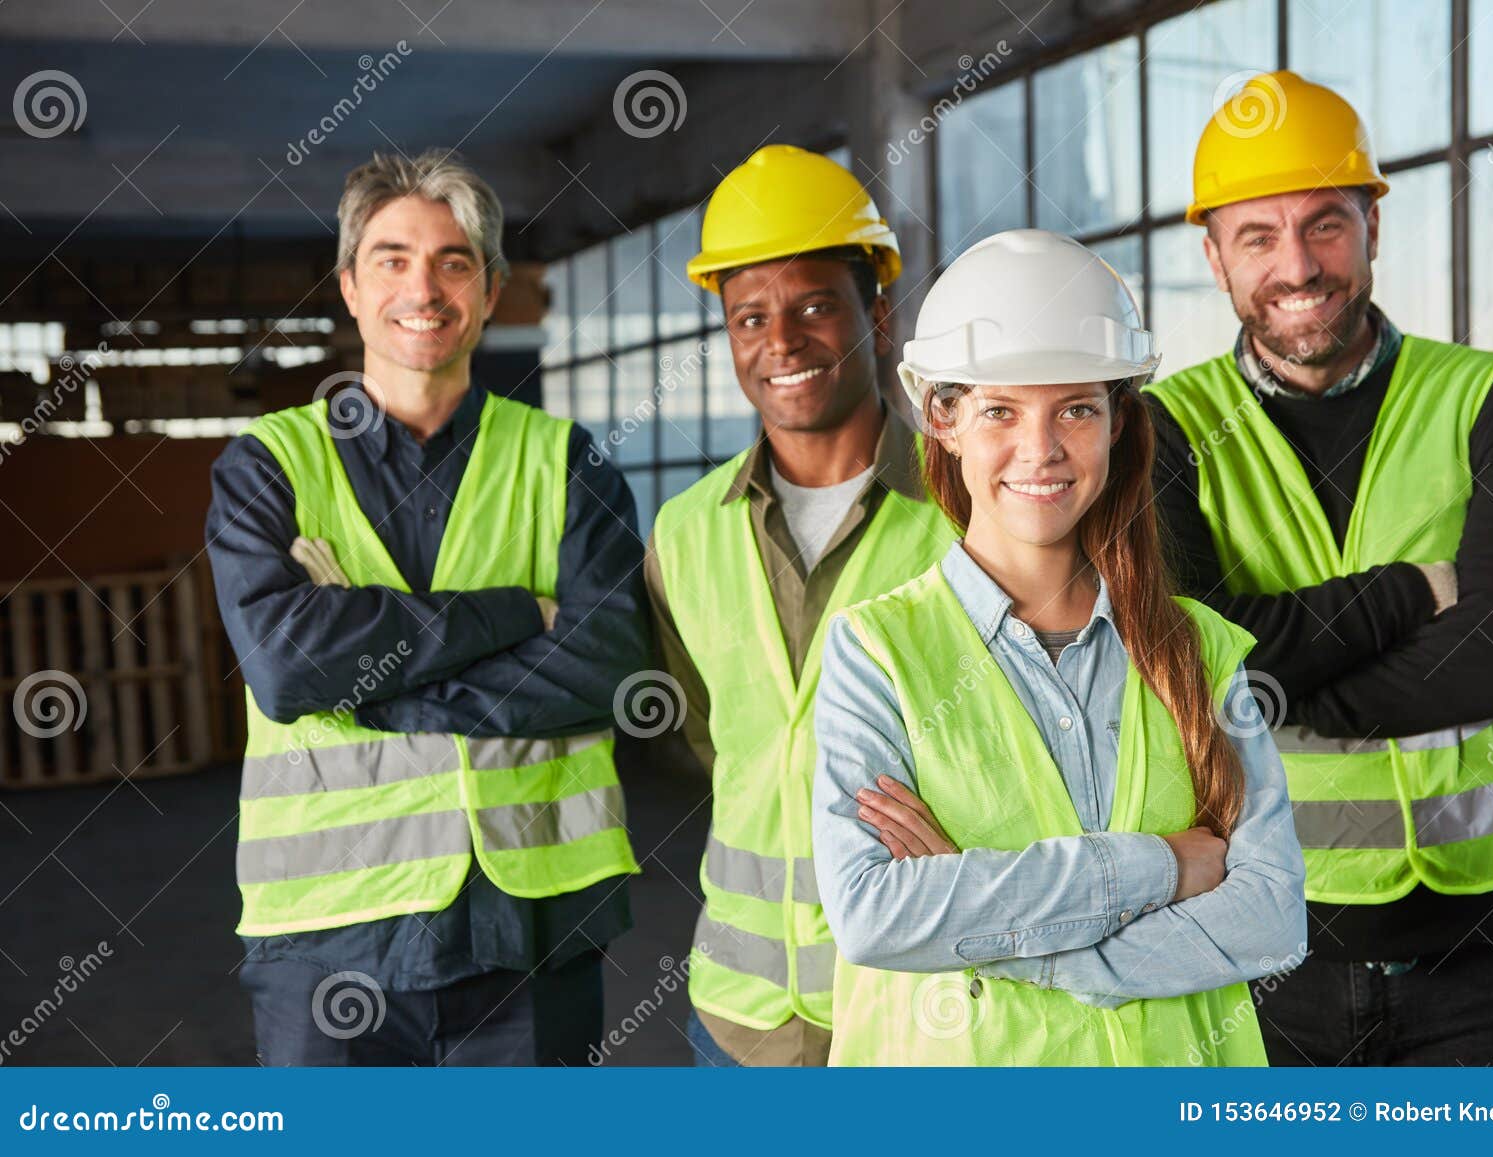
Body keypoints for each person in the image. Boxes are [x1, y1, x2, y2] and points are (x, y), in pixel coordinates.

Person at [1146, 71, 1493, 1065]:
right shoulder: (1160, 431)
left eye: (1324, 224)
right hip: (1259, 958)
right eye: (1256, 236)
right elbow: (1184, 663)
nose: (1297, 264)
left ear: (1372, 227)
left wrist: (1270, 688)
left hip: (1487, 963)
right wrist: (1417, 591)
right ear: (1213, 255)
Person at [811, 229, 1306, 1066]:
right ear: (946, 420)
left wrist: (1007, 935)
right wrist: (1159, 866)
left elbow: (1270, 915)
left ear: (1118, 422)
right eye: (1001, 410)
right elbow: (875, 912)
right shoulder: (876, 652)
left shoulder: (1200, 647)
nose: (1041, 450)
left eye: (1076, 407)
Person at [206, 149, 647, 1066]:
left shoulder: (568, 463)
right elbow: (288, 669)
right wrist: (517, 613)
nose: (425, 286)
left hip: (530, 931)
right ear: (351, 288)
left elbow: (606, 660)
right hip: (329, 948)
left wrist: (374, 690)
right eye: (392, 258)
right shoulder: (267, 466)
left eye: (454, 262)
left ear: (489, 292)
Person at [646, 145, 957, 1066]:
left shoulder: (970, 512)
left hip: (917, 1007)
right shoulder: (684, 530)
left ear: (881, 314)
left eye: (815, 305)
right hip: (740, 1018)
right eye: (750, 317)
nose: (780, 342)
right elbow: (707, 735)